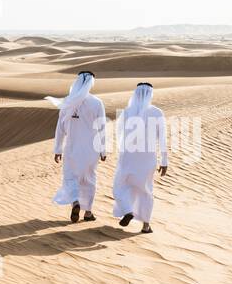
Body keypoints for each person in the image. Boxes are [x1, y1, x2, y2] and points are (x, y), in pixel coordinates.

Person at [47, 70, 107, 222]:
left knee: (71, 177)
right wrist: (103, 150)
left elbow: (60, 128)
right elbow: (102, 128)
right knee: (89, 179)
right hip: (91, 150)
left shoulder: (67, 102)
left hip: (71, 148)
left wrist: (57, 149)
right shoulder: (97, 103)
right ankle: (88, 213)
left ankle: (75, 202)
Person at [112, 82, 169, 234]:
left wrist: (121, 152)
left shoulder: (127, 111)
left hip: (128, 156)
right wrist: (164, 161)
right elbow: (162, 139)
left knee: (120, 186)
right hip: (148, 158)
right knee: (146, 190)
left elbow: (119, 135)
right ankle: (145, 225)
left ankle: (128, 210)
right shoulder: (157, 112)